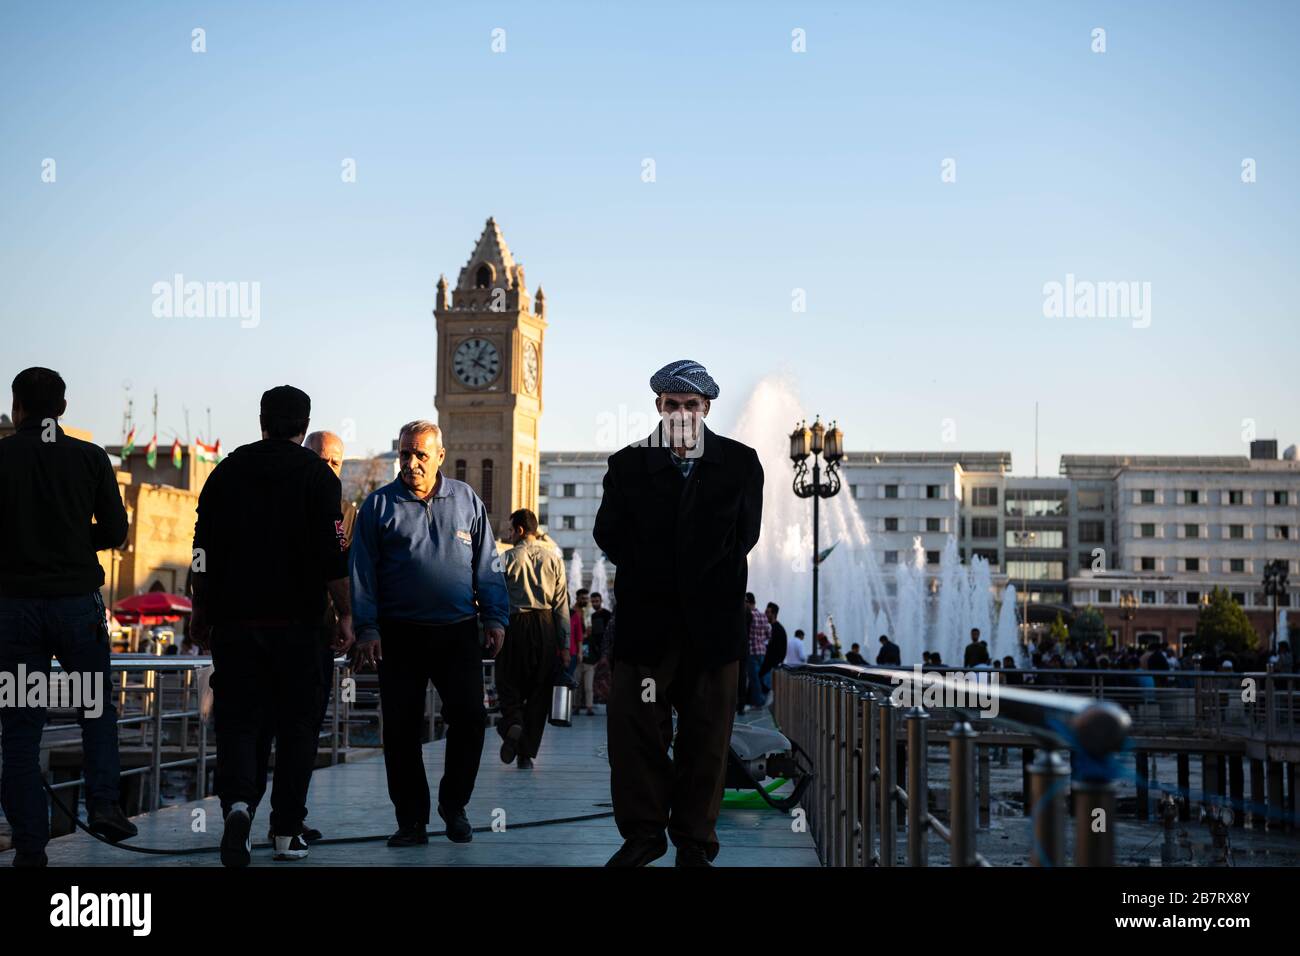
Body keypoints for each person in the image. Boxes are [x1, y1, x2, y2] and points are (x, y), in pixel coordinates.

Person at [594, 359, 763, 867]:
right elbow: (609, 535)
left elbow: (746, 536)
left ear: (706, 408)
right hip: (648, 625)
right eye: (673, 405)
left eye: (692, 405)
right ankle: (644, 835)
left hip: (713, 629)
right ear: (659, 408)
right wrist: (654, 568)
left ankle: (694, 842)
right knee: (635, 731)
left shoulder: (740, 463)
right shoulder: (627, 465)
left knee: (707, 737)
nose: (682, 413)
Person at [190, 385, 353, 867]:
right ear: (304, 427)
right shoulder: (317, 477)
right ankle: (286, 832)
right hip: (299, 629)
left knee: (239, 723)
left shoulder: (225, 473)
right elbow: (333, 557)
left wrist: (201, 609)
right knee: (299, 729)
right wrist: (344, 614)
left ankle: (238, 807)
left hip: (236, 627)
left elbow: (200, 551)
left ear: (261, 420)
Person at [0, 367, 136, 868]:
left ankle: (30, 847)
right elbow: (116, 530)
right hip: (76, 605)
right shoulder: (88, 457)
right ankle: (104, 805)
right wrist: (76, 541)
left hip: (14, 609)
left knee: (20, 729)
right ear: (61, 409)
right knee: (96, 709)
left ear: (18, 408)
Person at [350, 420, 509, 846]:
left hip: (457, 633)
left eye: (421, 454)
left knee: (471, 720)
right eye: (405, 453)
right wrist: (366, 628)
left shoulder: (467, 501)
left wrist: (495, 617)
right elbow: (361, 575)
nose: (412, 462)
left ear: (440, 456)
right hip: (398, 636)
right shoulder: (378, 507)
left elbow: (488, 565)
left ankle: (453, 805)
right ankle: (412, 821)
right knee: (401, 730)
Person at [497, 508, 570, 768]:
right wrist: (564, 645)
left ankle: (513, 722)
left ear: (518, 530)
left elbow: (494, 597)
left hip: (515, 625)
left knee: (507, 681)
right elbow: (562, 605)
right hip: (546, 626)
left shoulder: (505, 558)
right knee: (539, 690)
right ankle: (526, 754)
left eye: (509, 529)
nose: (508, 534)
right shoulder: (555, 559)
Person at [571, 588, 595, 714]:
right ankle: (576, 706)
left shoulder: (590, 612)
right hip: (575, 651)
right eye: (583, 598)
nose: (585, 600)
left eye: (586, 598)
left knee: (588, 686)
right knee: (576, 682)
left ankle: (589, 707)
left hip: (588, 653)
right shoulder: (573, 612)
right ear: (577, 598)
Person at [744, 593, 770, 709]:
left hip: (752, 651)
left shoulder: (749, 615)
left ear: (748, 603)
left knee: (754, 678)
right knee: (759, 677)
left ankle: (760, 702)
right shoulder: (763, 616)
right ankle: (758, 699)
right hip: (762, 651)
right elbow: (769, 634)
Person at [587, 592, 613, 708]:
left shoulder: (607, 614)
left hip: (606, 650)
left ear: (601, 600)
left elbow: (610, 633)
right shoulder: (593, 616)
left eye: (596, 601)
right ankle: (601, 697)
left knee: (607, 675)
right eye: (593, 601)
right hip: (597, 651)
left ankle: (609, 698)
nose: (594, 603)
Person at [759, 601, 787, 697]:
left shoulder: (776, 629)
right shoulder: (776, 628)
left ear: (774, 614)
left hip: (771, 667)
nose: (765, 614)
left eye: (768, 612)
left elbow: (774, 650)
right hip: (771, 666)